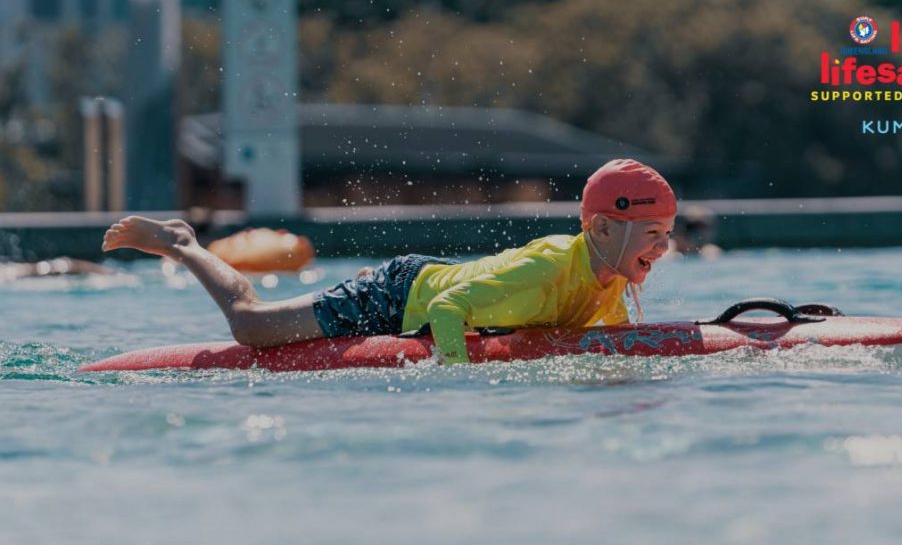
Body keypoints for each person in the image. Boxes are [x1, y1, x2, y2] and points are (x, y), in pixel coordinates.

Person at [101, 159, 677, 364]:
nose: (663, 247)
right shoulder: (549, 269)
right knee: (253, 326)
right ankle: (182, 243)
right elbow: (449, 309)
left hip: (434, 279)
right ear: (602, 227)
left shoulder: (611, 270)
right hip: (398, 294)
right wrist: (457, 378)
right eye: (653, 233)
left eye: (668, 235)